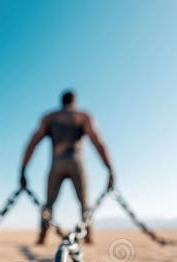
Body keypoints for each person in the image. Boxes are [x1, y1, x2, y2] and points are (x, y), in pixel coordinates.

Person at [20, 90, 114, 245]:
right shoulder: (82, 117)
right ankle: (88, 236)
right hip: (76, 161)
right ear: (74, 101)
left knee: (49, 203)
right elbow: (98, 142)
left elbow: (32, 143)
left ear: (61, 102)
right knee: (84, 202)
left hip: (57, 163)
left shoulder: (49, 118)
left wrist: (23, 169)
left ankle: (42, 237)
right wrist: (109, 168)